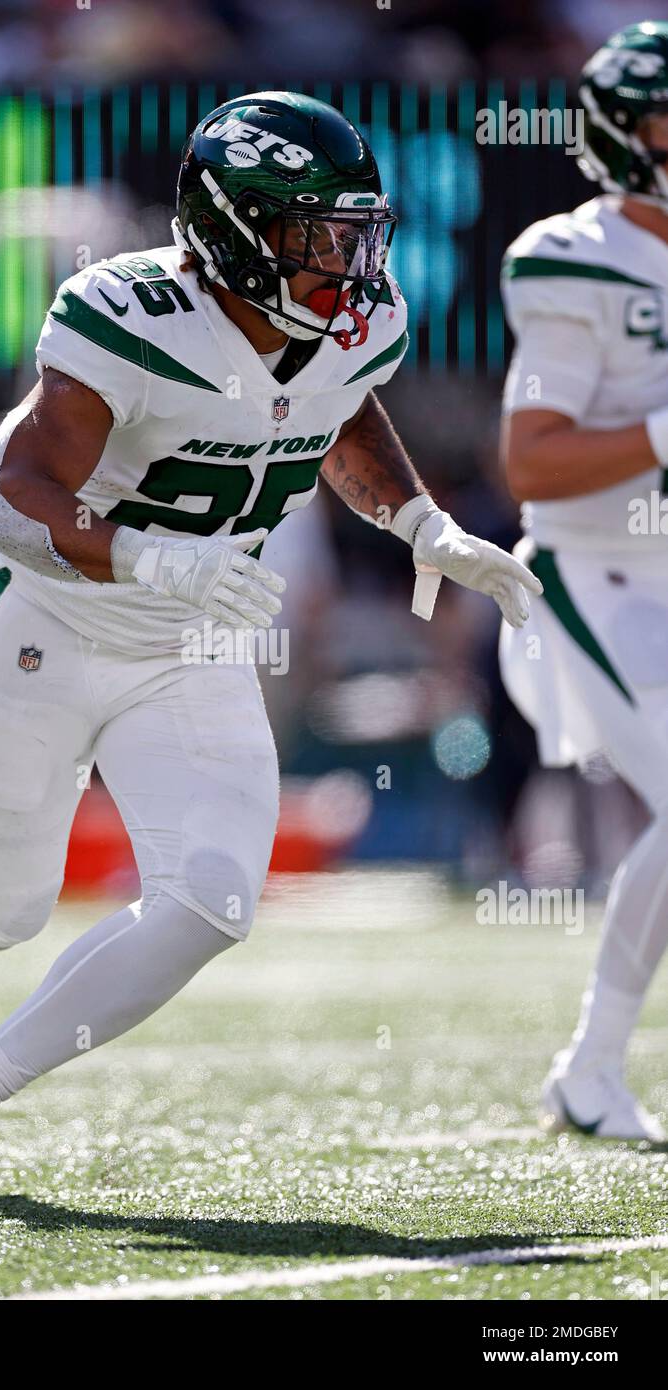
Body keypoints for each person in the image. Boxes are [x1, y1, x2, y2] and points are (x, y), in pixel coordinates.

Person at [0, 91, 539, 1210]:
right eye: (312, 232)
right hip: (55, 619)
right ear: (232, 226)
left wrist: (421, 524)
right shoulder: (126, 314)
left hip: (192, 640)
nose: (344, 258)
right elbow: (7, 502)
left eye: (352, 229)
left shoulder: (355, 319)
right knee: (8, 906)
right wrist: (147, 555)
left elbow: (338, 404)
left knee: (215, 897)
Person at [499, 23, 668, 1141]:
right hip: (595, 568)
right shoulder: (576, 254)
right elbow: (531, 457)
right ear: (629, 134)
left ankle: (589, 1069)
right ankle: (589, 1065)